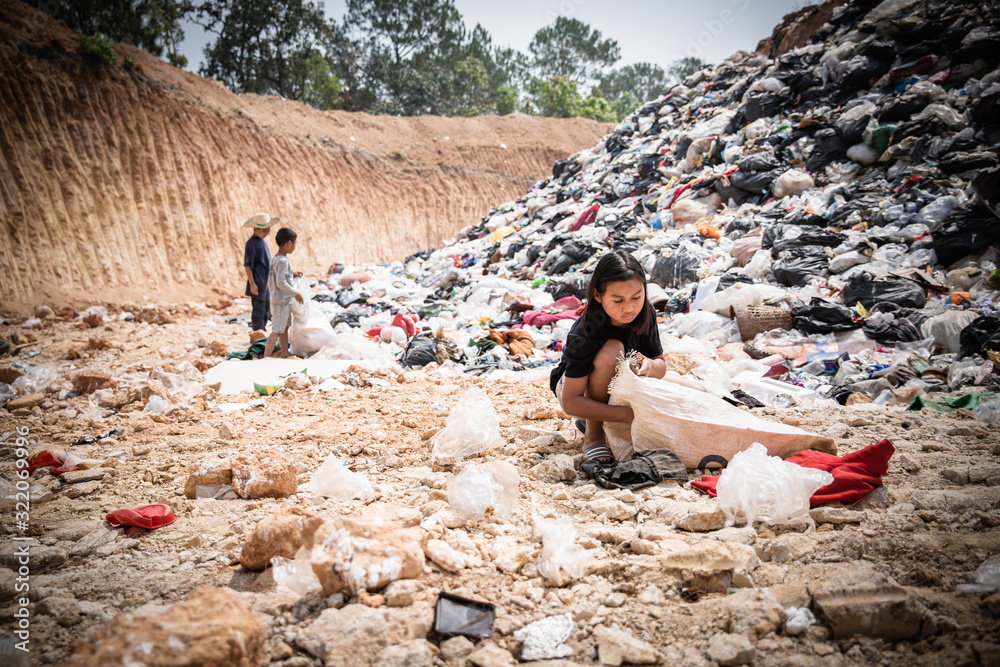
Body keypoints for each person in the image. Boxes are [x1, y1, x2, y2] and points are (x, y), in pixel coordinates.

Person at [549, 250, 668, 464]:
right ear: (598, 295)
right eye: (618, 300)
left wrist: (648, 365)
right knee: (612, 351)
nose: (629, 307)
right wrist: (626, 415)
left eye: (636, 297)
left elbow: (661, 366)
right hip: (575, 388)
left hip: (623, 379)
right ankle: (593, 434)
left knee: (698, 390)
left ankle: (601, 417)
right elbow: (570, 401)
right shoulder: (586, 331)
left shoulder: (646, 314)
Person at [263, 228, 304, 358]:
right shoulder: (283, 261)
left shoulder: (276, 258)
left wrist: (294, 273)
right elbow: (280, 282)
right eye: (295, 243)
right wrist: (295, 293)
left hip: (280, 300)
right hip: (281, 300)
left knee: (284, 328)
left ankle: (285, 352)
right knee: (276, 329)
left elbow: (281, 274)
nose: (295, 247)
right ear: (289, 243)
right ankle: (266, 357)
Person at [242, 213, 279, 334]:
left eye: (268, 230)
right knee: (258, 312)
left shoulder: (262, 242)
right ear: (255, 229)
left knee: (266, 311)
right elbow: (248, 266)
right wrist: (253, 284)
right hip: (258, 282)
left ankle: (262, 335)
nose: (266, 233)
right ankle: (258, 335)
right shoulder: (251, 243)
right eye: (264, 230)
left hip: (266, 283)